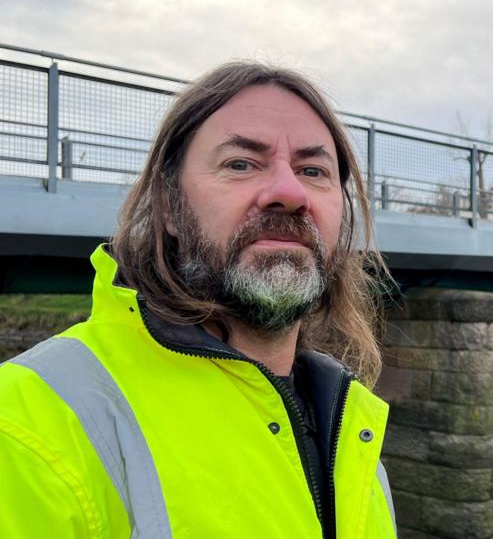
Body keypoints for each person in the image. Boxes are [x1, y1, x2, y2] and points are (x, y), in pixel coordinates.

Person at [0, 62, 397, 538]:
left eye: (313, 171)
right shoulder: (26, 419)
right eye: (240, 164)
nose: (289, 192)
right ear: (169, 205)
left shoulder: (354, 429)